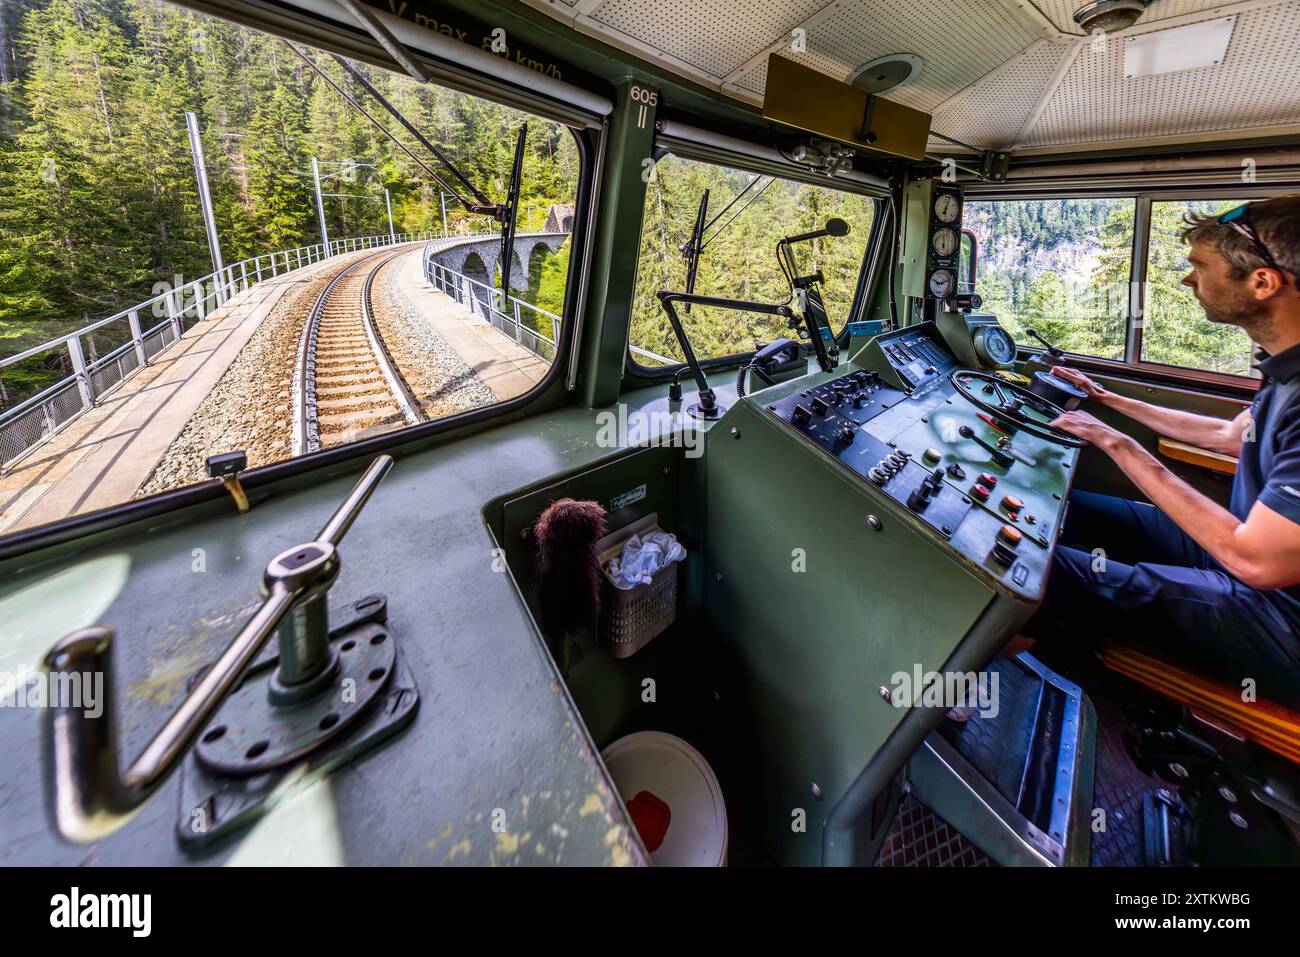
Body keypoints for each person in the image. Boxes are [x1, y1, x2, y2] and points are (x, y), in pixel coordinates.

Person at [1031, 195, 1300, 708]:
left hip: (1282, 617)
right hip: (1247, 560)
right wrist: (1107, 399)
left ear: (1263, 282)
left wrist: (1115, 441)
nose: (1188, 280)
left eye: (1201, 266)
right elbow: (1229, 436)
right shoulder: (1286, 366)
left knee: (1041, 576)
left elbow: (1257, 562)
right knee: (1063, 512)